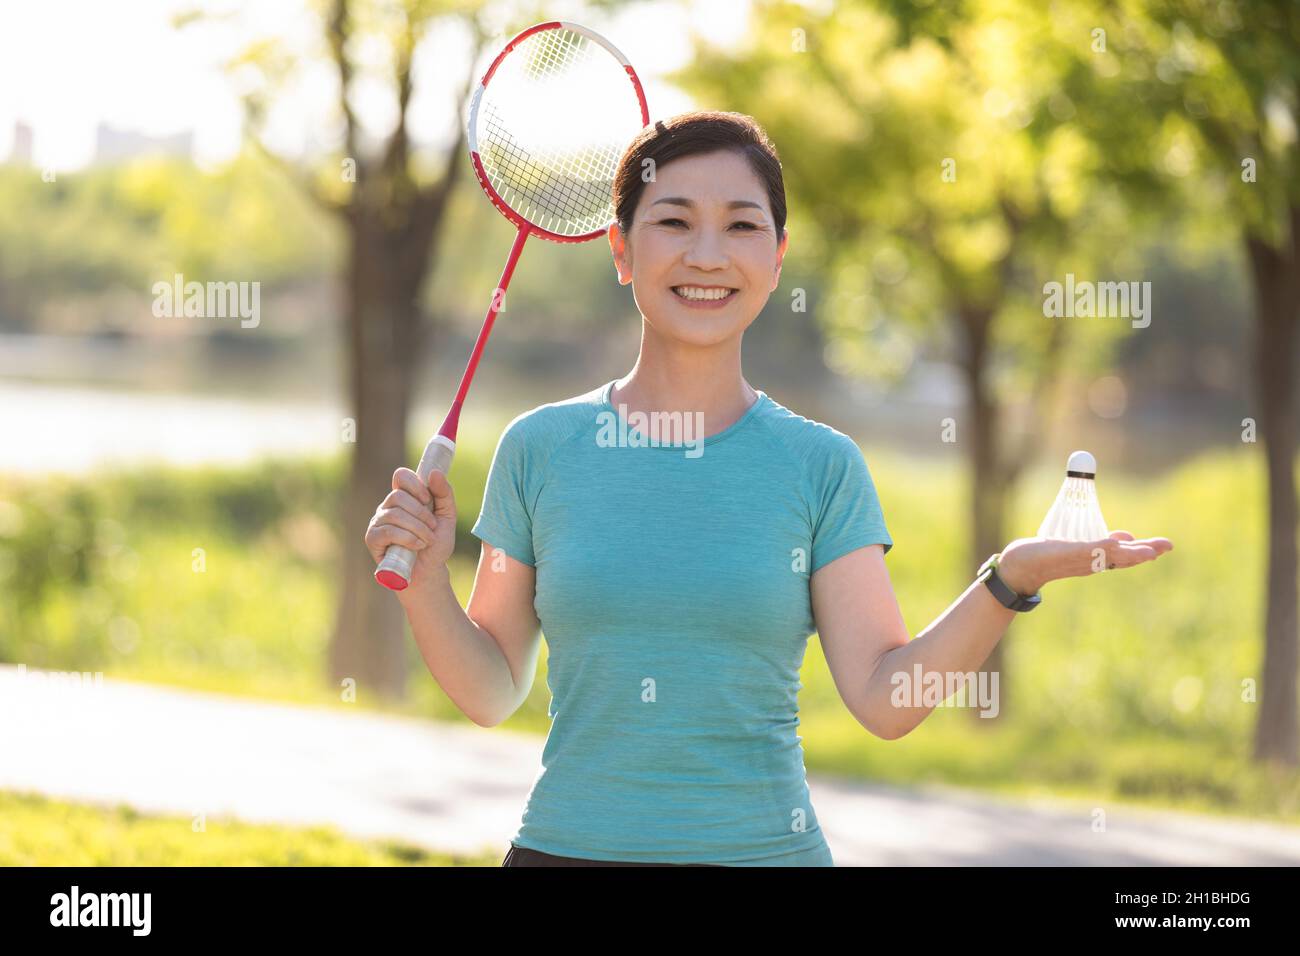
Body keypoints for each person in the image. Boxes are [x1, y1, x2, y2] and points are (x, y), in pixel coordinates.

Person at [363, 110, 1174, 867]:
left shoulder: (819, 466)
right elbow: (490, 687)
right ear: (620, 250)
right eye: (674, 221)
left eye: (742, 226)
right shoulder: (539, 450)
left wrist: (1011, 578)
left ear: (777, 257)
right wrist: (426, 585)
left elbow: (888, 701)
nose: (708, 255)